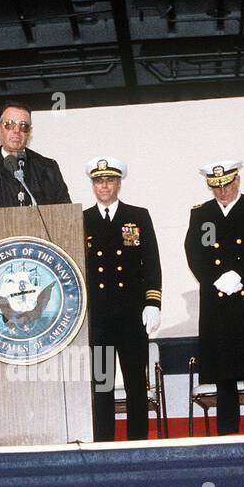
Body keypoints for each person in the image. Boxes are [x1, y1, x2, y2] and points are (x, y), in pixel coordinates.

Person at [184, 160, 244, 435]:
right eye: (216, 187)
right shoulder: (202, 214)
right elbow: (195, 253)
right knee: (223, 375)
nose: (222, 192)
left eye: (226, 185)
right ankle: (226, 436)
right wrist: (215, 278)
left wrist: (240, 276)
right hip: (218, 302)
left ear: (237, 180)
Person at [82, 156, 163, 441]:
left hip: (132, 315)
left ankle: (138, 444)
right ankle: (103, 443)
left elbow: (151, 262)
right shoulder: (83, 220)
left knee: (135, 385)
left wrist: (153, 302)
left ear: (119, 183)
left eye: (110, 180)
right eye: (99, 181)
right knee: (102, 385)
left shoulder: (137, 216)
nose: (104, 186)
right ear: (93, 185)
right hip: (100, 318)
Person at [0, 101, 72, 210]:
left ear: (29, 132)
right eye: (10, 124)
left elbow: (67, 216)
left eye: (23, 126)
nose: (17, 130)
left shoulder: (47, 169)